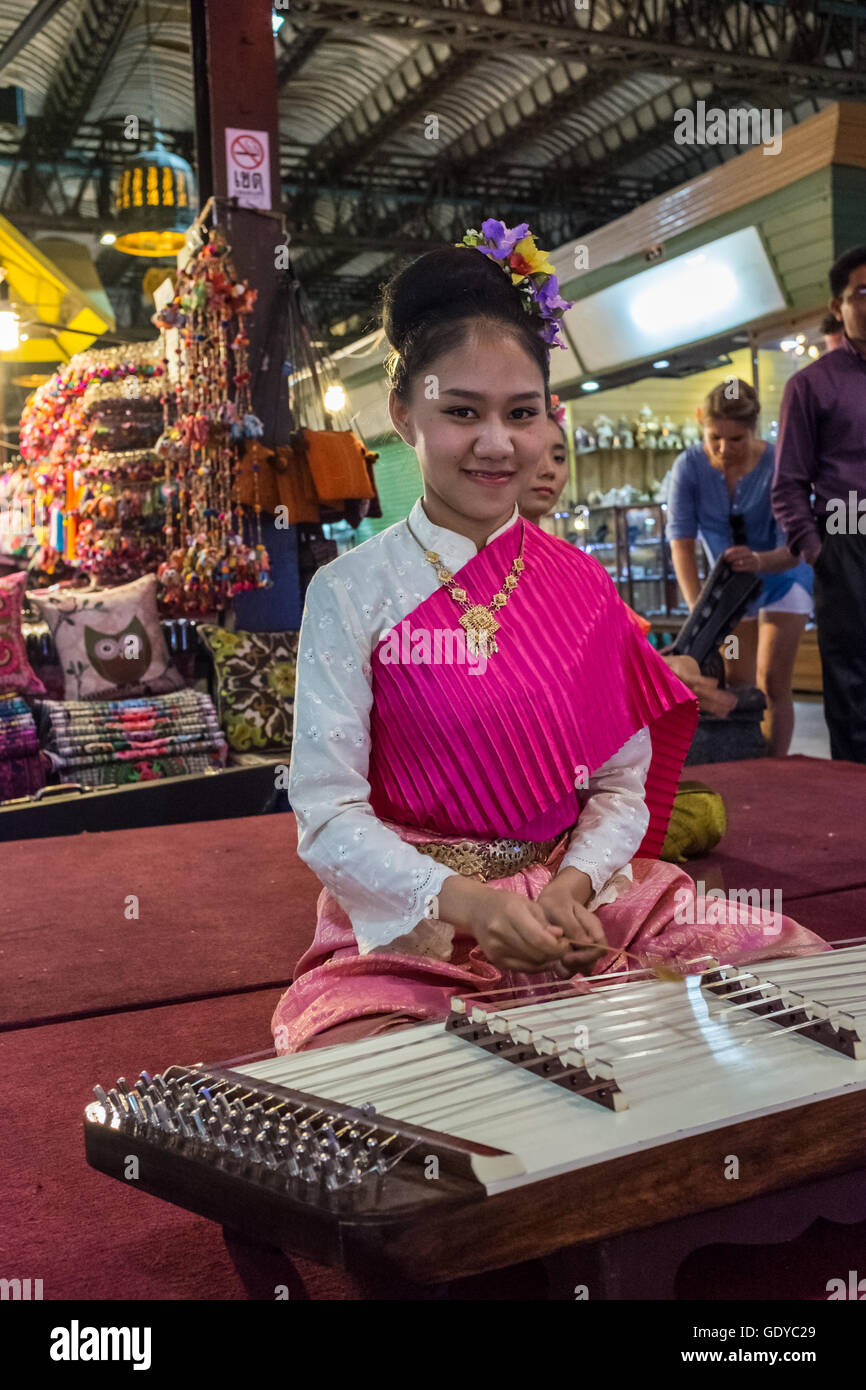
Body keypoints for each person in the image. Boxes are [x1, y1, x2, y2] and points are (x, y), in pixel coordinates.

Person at [272, 225, 825, 1056]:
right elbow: (325, 812)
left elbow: (619, 785)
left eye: (521, 414)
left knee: (797, 979)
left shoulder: (583, 586)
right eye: (462, 412)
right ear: (402, 413)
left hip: (590, 902)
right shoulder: (349, 593)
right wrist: (471, 904)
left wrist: (574, 884)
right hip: (422, 922)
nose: (498, 444)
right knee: (381, 1073)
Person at [666, 379, 813, 757]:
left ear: (754, 430)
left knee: (772, 681)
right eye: (715, 437)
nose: (724, 449)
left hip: (785, 579)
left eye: (737, 440)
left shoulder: (778, 462)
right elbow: (681, 543)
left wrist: (760, 561)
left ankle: (776, 765)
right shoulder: (689, 466)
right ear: (701, 421)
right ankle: (746, 763)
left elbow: (794, 545)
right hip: (731, 592)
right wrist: (701, 609)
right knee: (736, 682)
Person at [772, 246, 866, 763]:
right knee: (852, 683)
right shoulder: (811, 385)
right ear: (839, 304)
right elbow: (788, 483)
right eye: (863, 293)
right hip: (846, 542)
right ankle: (856, 814)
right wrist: (818, 551)